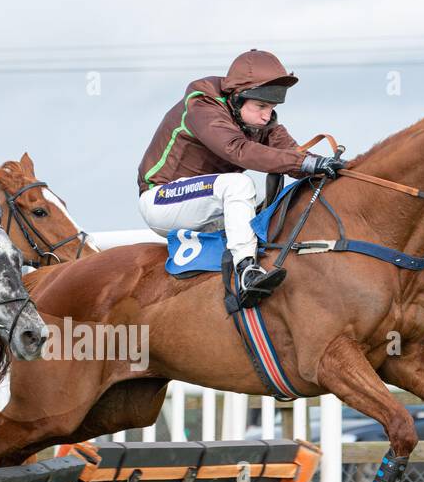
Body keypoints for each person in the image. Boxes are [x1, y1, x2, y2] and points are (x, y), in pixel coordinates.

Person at [136, 49, 344, 307]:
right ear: (237, 98)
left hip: (209, 209)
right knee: (240, 185)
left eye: (272, 108)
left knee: (269, 216)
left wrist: (333, 168)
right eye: (261, 106)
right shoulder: (202, 106)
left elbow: (293, 156)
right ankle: (247, 270)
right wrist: (307, 162)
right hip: (162, 200)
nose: (267, 116)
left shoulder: (260, 122)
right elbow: (238, 150)